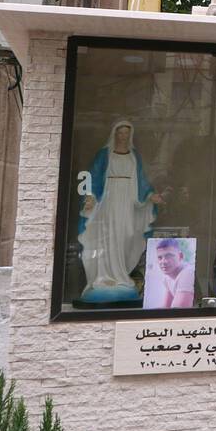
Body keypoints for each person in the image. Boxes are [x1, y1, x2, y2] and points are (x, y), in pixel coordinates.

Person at [79, 121, 162, 301]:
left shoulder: (134, 155)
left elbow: (141, 180)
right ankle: (105, 276)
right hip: (109, 199)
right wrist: (91, 196)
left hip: (128, 200)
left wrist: (150, 195)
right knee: (109, 235)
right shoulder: (105, 154)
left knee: (127, 234)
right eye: (120, 133)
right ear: (115, 134)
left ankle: (121, 274)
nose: (123, 136)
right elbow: (94, 176)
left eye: (126, 133)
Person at [151, 239, 196, 309]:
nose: (163, 262)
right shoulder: (167, 278)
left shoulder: (188, 273)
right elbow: (166, 308)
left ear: (180, 256)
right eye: (160, 258)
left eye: (169, 256)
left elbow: (178, 313)